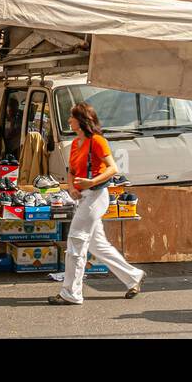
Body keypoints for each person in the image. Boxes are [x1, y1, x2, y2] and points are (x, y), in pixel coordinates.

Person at [47, 103, 145, 306]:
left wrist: (91, 182)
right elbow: (72, 170)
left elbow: (113, 168)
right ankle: (133, 276)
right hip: (83, 196)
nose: (69, 121)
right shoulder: (75, 143)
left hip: (96, 195)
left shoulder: (98, 141)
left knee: (76, 241)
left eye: (72, 117)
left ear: (81, 120)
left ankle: (71, 293)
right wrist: (71, 187)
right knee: (97, 245)